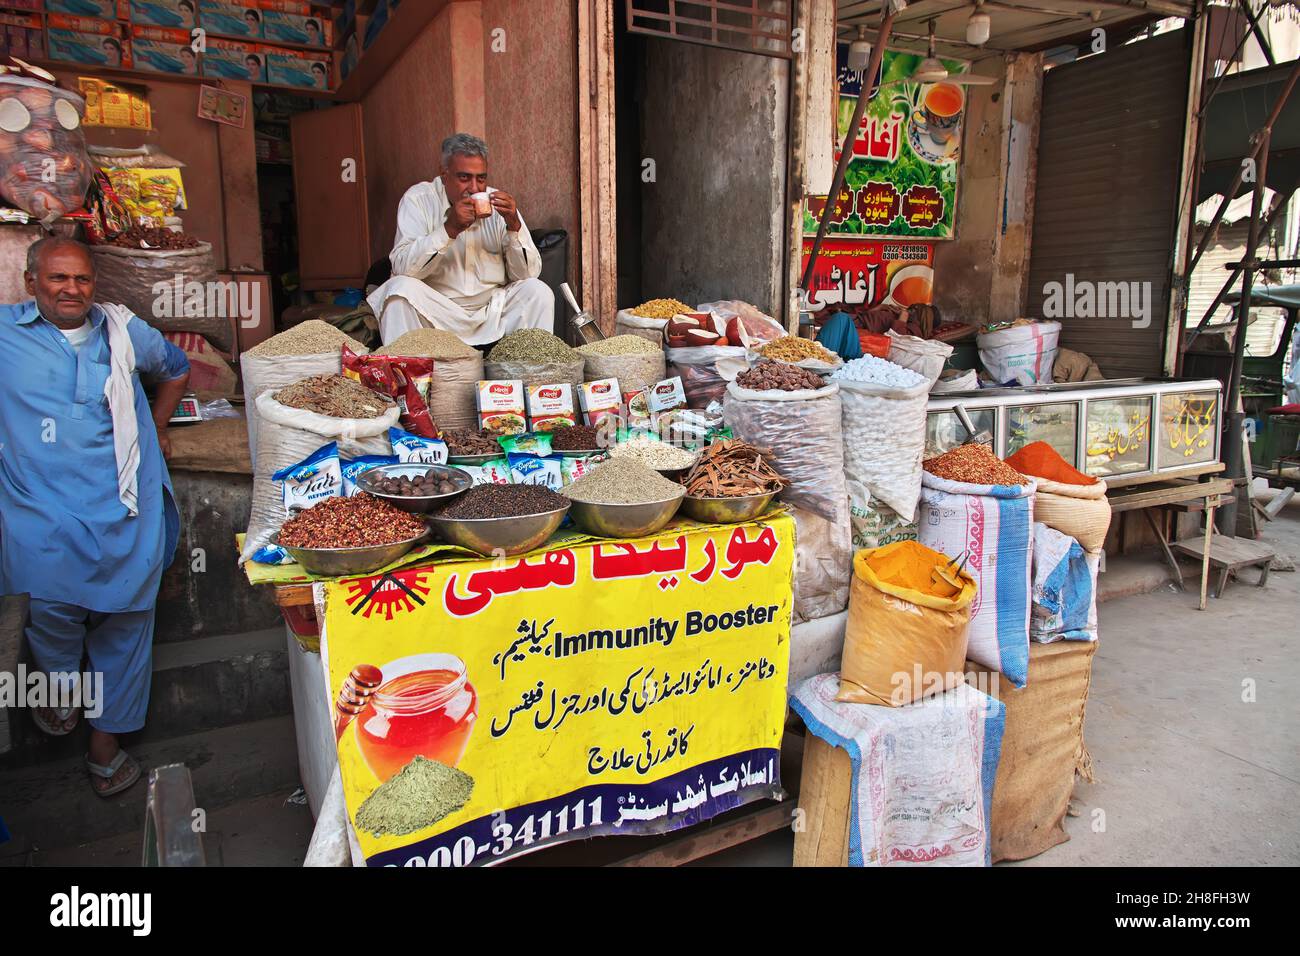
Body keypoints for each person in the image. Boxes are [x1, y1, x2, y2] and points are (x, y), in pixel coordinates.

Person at [0, 238, 190, 797]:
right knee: (47, 611)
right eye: (58, 278)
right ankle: (61, 692)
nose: (72, 290)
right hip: (40, 508)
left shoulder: (123, 332)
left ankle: (104, 748)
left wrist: (158, 425)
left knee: (127, 626)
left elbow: (176, 369)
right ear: (31, 281)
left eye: (81, 279)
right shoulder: (6, 334)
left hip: (124, 506)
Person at [368, 133, 553, 346]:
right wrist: (450, 229)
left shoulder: (498, 204)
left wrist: (514, 225)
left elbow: (527, 274)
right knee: (398, 290)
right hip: (436, 309)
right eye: (464, 178)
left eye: (481, 179)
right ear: (444, 174)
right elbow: (402, 267)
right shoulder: (418, 200)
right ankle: (410, 366)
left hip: (490, 310)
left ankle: (529, 366)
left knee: (538, 292)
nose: (474, 188)